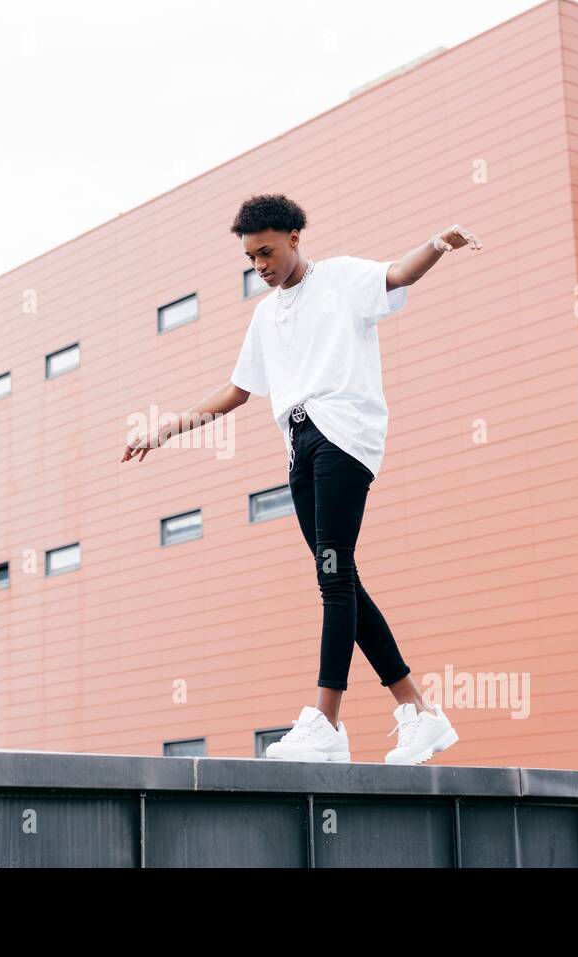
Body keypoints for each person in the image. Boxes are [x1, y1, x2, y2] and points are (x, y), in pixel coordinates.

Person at [121, 193, 482, 765]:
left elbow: (397, 271)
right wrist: (169, 427)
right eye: (250, 259)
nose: (260, 265)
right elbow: (238, 390)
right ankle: (419, 712)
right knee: (343, 579)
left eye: (266, 252)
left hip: (344, 436)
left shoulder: (341, 279)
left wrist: (439, 243)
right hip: (299, 449)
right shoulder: (265, 316)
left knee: (333, 580)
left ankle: (326, 719)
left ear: (294, 236)